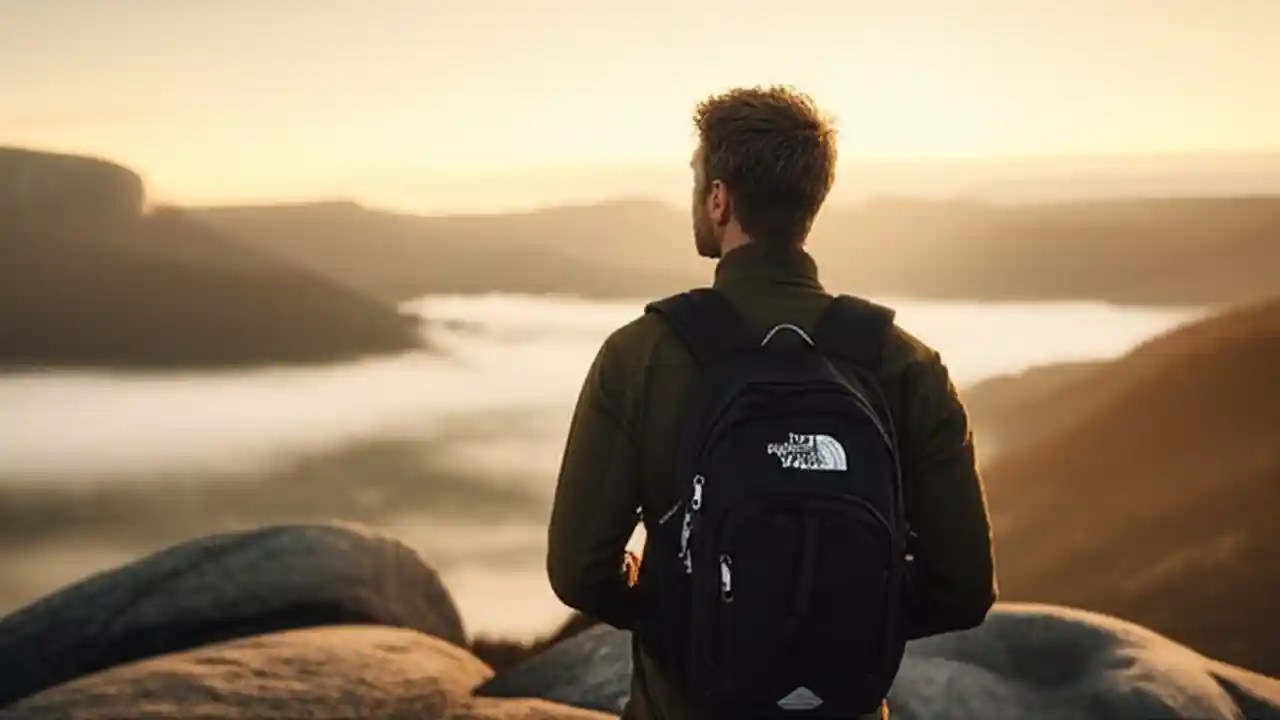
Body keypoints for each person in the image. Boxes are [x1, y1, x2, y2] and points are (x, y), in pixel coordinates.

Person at [548, 85, 997, 719]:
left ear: (719, 198)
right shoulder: (904, 364)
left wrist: (694, 610)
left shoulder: (641, 355)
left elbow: (578, 572)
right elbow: (964, 589)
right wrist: (841, 623)